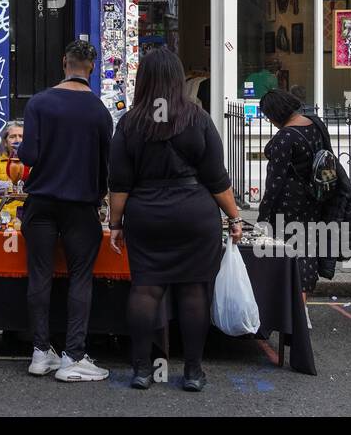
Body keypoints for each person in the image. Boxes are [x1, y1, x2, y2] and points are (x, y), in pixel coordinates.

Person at [108, 47, 242, 392]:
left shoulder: (130, 122)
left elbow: (119, 183)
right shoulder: (197, 118)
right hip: (193, 214)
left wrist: (115, 223)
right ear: (177, 79)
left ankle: (141, 370)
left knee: (146, 289)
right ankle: (193, 372)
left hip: (147, 214)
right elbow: (216, 177)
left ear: (144, 80)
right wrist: (234, 216)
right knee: (194, 291)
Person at [17, 41, 114, 382]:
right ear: (92, 67)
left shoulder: (39, 103)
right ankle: (74, 354)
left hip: (40, 203)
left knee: (39, 275)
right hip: (81, 206)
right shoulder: (100, 112)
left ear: (64, 62)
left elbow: (27, 157)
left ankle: (40, 352)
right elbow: (107, 167)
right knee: (80, 277)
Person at [257, 89, 326, 296]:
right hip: (313, 201)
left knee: (287, 259)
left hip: (288, 208)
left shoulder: (285, 137)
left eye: (269, 116)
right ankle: (301, 311)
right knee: (306, 254)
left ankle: (295, 311)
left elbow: (274, 183)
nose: (269, 121)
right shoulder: (316, 125)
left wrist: (264, 216)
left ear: (276, 113)